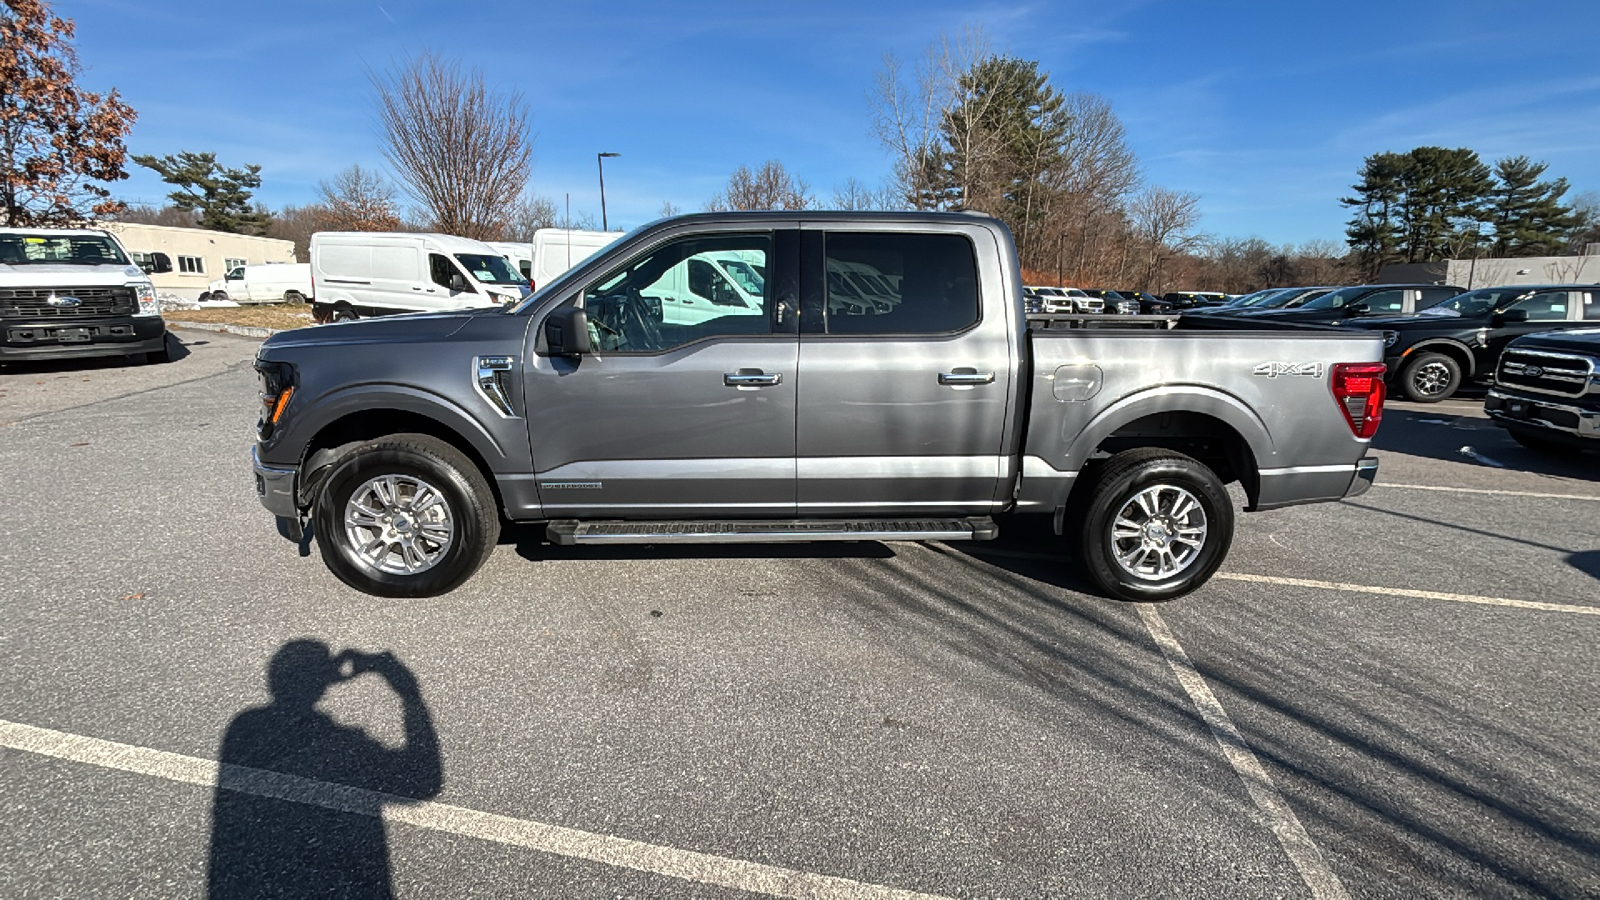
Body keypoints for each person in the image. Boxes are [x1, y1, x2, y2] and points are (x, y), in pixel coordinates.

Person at [207, 640, 441, 899]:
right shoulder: (344, 749)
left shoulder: (245, 729)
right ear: (324, 681)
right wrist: (409, 695)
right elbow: (424, 780)